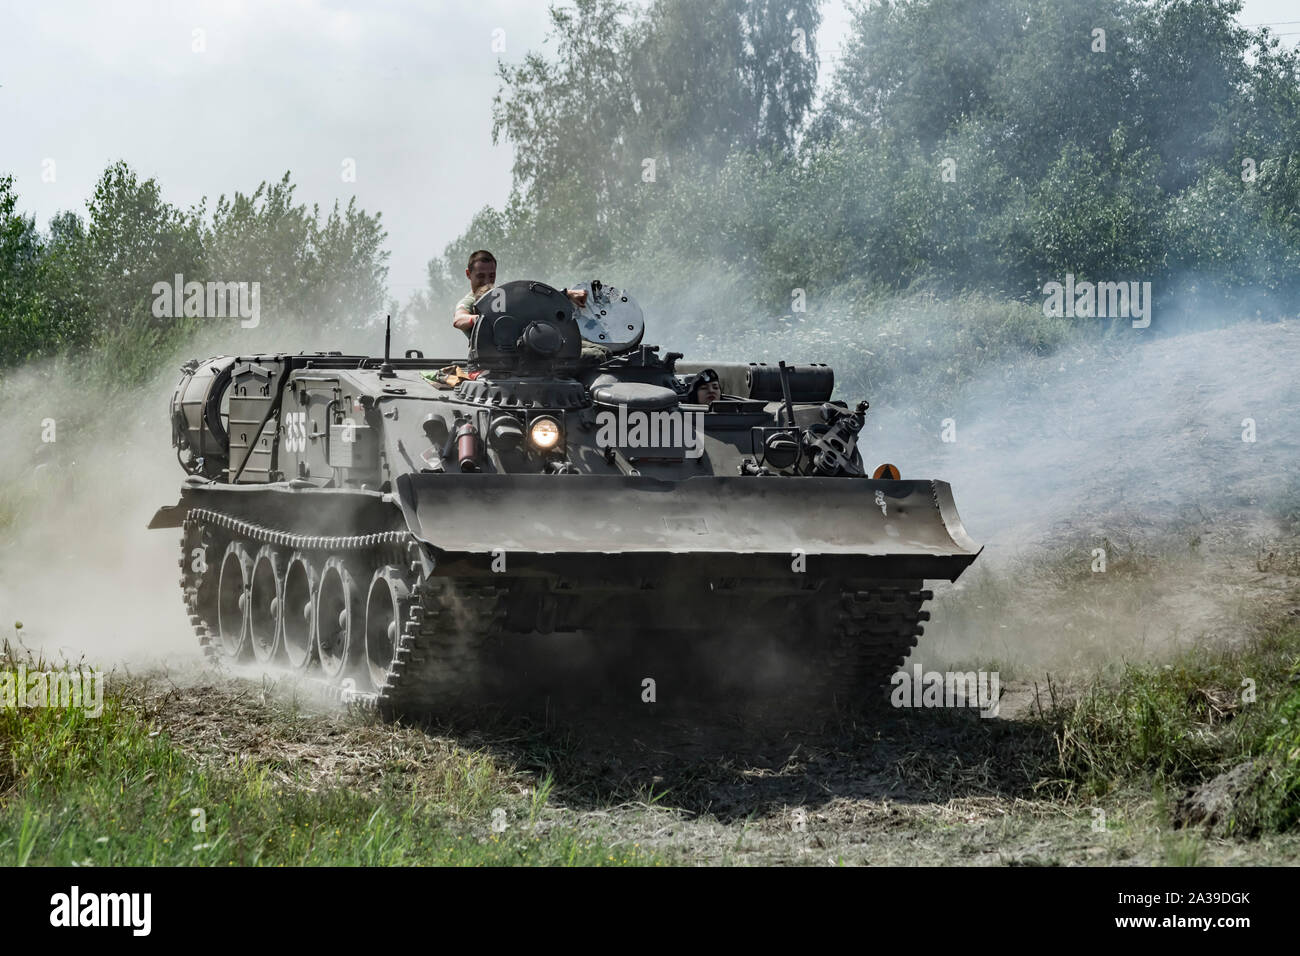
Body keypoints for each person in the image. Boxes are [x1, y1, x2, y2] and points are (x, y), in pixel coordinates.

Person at [452, 249, 587, 338]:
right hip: (491, 364)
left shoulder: (501, 296)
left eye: (492, 275)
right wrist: (479, 319)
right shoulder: (470, 301)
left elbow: (532, 298)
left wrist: (566, 293)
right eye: (481, 276)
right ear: (468, 274)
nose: (487, 281)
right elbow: (459, 319)